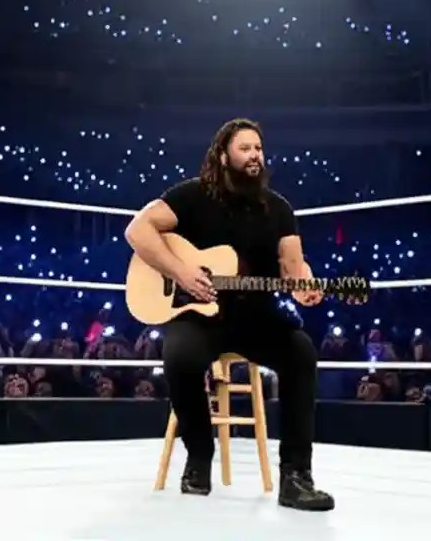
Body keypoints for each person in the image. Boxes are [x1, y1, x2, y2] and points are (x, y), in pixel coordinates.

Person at [123, 118, 335, 511]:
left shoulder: (278, 208)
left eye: (259, 148)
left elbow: (293, 265)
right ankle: (199, 456)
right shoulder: (193, 195)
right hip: (200, 316)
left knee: (301, 352)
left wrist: (305, 286)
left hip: (257, 317)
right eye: (245, 148)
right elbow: (138, 230)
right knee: (180, 357)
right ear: (224, 155)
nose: (255, 155)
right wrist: (180, 271)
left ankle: (295, 475)